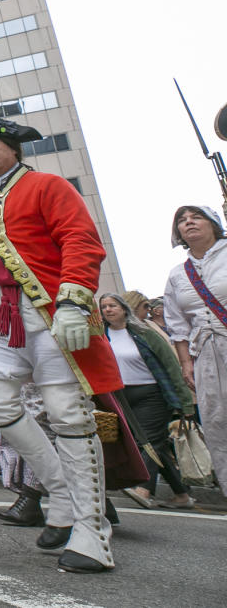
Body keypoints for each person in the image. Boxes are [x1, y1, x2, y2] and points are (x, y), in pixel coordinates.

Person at [0, 112, 122, 574]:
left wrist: (72, 301)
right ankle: (60, 492)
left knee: (68, 414)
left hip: (44, 312)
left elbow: (81, 241)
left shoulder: (48, 187)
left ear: (13, 148)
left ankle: (91, 529)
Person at [99, 293, 196, 509]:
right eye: (103, 306)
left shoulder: (144, 333)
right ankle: (182, 494)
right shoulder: (101, 337)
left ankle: (144, 489)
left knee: (149, 441)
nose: (107, 310)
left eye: (112, 305)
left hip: (151, 395)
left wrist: (185, 403)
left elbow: (170, 365)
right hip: (120, 396)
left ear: (124, 308)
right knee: (154, 446)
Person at [163, 204, 227, 497]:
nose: (188, 223)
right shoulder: (178, 274)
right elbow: (177, 324)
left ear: (213, 223)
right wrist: (186, 363)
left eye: (196, 217)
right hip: (206, 354)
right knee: (217, 421)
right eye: (182, 220)